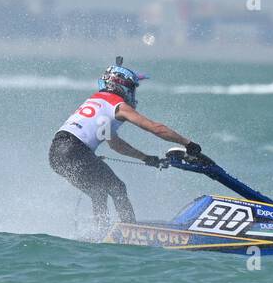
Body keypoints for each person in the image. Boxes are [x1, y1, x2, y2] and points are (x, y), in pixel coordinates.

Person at [49, 57, 203, 231]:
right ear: (123, 86)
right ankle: (130, 231)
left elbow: (115, 144)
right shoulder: (118, 105)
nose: (134, 93)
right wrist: (188, 143)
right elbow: (156, 128)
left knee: (97, 191)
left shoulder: (97, 101)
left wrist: (145, 158)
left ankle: (100, 231)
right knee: (117, 188)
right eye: (133, 88)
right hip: (75, 151)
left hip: (56, 154)